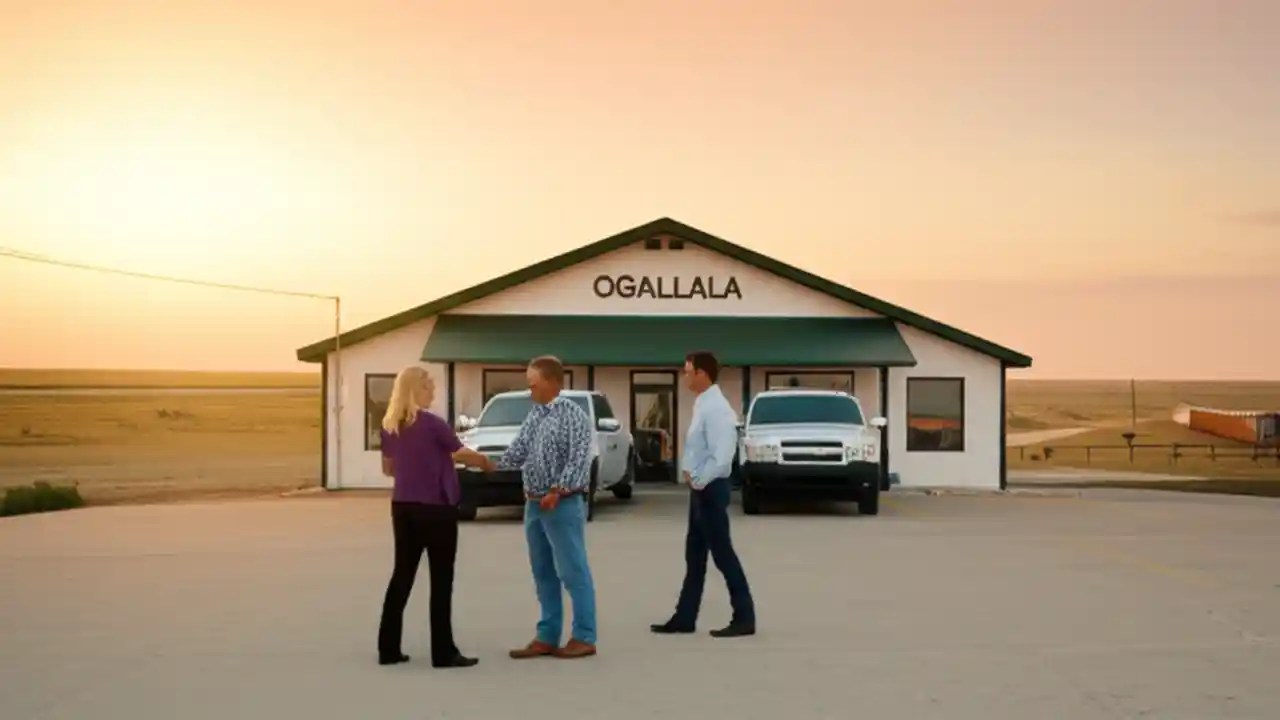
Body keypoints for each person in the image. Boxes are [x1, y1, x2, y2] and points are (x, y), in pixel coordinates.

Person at [377, 366, 493, 668]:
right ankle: (443, 651)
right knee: (441, 580)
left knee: (402, 575)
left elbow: (388, 469)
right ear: (416, 389)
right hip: (436, 509)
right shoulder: (433, 424)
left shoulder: (390, 425)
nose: (433, 391)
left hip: (403, 507)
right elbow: (460, 452)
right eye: (429, 387)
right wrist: (483, 461)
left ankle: (388, 649)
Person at [497, 355, 598, 660]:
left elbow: (579, 459)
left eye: (534, 384)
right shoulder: (536, 414)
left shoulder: (574, 416)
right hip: (534, 504)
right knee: (542, 572)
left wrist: (558, 490)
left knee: (573, 570)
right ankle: (547, 635)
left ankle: (584, 636)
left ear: (553, 382)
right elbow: (518, 451)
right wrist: (484, 463)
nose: (530, 391)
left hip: (561, 504)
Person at [652, 351, 756, 638]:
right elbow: (699, 449)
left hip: (710, 489)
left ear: (702, 373)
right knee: (694, 556)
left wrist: (698, 479)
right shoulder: (702, 404)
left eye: (688, 371)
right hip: (700, 490)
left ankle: (745, 617)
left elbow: (723, 457)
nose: (684, 376)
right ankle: (685, 617)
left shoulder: (718, 410)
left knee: (723, 555)